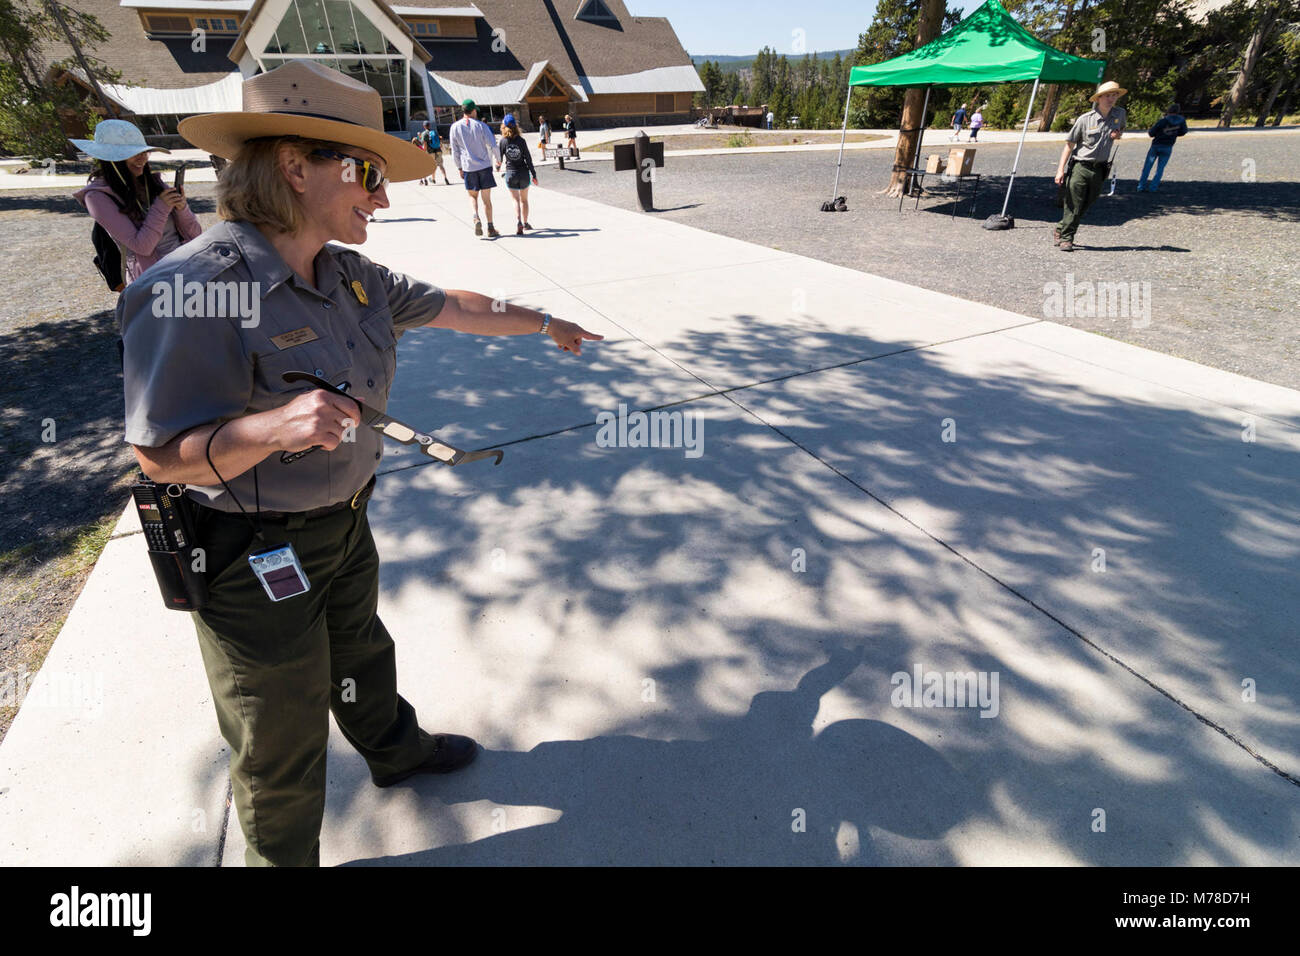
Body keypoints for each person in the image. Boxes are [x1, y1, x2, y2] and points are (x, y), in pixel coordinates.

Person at [121, 60, 604, 867]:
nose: (382, 197)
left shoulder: (350, 275)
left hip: (343, 521)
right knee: (278, 728)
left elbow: (454, 305)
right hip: (247, 551)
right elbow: (159, 454)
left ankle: (394, 750)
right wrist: (272, 427)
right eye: (368, 175)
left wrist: (544, 319)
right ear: (295, 167)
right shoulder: (195, 287)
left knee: (361, 649)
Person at [71, 119, 202, 287]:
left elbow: (195, 235)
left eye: (144, 152)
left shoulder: (153, 184)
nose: (142, 158)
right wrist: (161, 207)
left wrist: (182, 208)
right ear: (112, 158)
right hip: (154, 283)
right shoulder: (96, 198)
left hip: (188, 271)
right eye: (134, 153)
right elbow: (142, 246)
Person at [1053, 80, 1127, 252]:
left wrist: (1117, 135)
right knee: (1074, 203)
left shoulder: (1120, 114)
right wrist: (1060, 170)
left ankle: (1060, 228)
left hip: (1100, 168)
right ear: (1099, 98)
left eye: (1114, 95)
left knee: (1088, 202)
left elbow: (1120, 130)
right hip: (1081, 166)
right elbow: (1069, 145)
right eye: (1108, 95)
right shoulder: (1085, 120)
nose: (1111, 99)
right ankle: (1067, 238)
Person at [449, 99, 500, 237]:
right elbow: (493, 144)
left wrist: (459, 167)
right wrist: (498, 160)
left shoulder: (454, 127)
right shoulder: (481, 125)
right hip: (484, 166)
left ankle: (475, 216)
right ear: (472, 111)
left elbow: (454, 150)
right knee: (487, 200)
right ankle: (490, 228)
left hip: (468, 167)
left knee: (472, 196)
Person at [495, 114, 538, 234]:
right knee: (524, 200)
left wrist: (497, 166)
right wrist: (534, 175)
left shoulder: (503, 142)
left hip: (511, 174)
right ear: (516, 126)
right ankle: (525, 223)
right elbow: (528, 159)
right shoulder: (522, 141)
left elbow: (499, 159)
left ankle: (518, 221)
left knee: (515, 199)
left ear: (503, 126)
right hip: (524, 173)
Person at [1137, 103, 1187, 193]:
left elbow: (1151, 133)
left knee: (1147, 167)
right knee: (1160, 168)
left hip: (1156, 145)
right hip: (1168, 146)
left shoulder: (1163, 121)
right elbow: (1183, 131)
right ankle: (1153, 187)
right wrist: (1175, 134)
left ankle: (1141, 186)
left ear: (1169, 110)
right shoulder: (1181, 121)